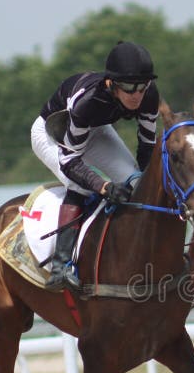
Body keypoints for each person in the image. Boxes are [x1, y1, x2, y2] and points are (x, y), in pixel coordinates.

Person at [30, 41, 160, 291]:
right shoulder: (87, 101)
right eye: (130, 87)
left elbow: (146, 147)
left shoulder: (149, 95)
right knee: (80, 186)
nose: (137, 95)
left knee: (135, 179)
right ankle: (61, 266)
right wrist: (104, 187)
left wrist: (143, 181)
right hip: (52, 131)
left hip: (96, 128)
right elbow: (70, 160)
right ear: (111, 84)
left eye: (142, 87)